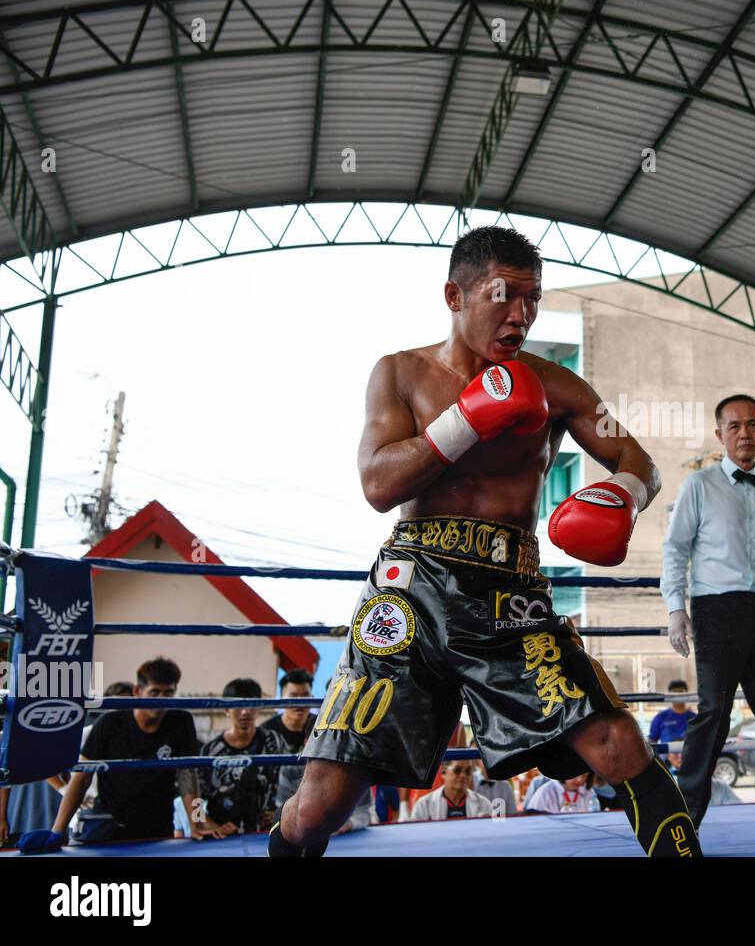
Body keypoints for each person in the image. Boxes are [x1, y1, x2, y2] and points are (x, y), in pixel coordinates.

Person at [274, 226, 700, 858]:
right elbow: (377, 483)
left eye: (532, 299)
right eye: (504, 296)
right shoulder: (400, 373)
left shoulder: (557, 385)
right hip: (409, 591)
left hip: (513, 597)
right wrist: (466, 420)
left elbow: (640, 459)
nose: (522, 315)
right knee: (320, 803)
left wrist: (624, 494)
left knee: (618, 746)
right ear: (455, 295)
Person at [662, 393, 755, 843]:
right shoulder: (699, 487)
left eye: (753, 425)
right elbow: (675, 549)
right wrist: (675, 609)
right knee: (713, 715)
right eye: (735, 426)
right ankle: (683, 825)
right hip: (715, 610)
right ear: (720, 434)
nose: (745, 433)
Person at [18, 658, 226, 852]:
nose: (161, 700)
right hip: (109, 828)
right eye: (154, 693)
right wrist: (58, 830)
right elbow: (81, 778)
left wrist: (196, 822)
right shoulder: (110, 724)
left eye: (168, 693)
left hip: (157, 828)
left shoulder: (180, 722)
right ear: (138, 691)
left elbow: (189, 777)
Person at [200, 678, 289, 833]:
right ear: (226, 709)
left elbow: (295, 783)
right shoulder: (210, 751)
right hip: (223, 839)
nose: (245, 711)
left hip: (268, 834)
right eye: (238, 705)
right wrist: (213, 827)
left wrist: (284, 812)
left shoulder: (275, 742)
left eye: (250, 704)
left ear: (259, 706)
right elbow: (191, 802)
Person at [409, 761, 494, 820]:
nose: (463, 775)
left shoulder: (484, 803)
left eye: (468, 771)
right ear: (443, 772)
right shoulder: (423, 805)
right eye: (457, 770)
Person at [648, 679, 696, 745]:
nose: (678, 695)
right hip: (666, 753)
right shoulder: (661, 717)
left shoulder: (694, 718)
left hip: (690, 754)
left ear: (686, 694)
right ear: (669, 694)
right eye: (674, 692)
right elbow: (652, 742)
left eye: (681, 692)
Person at [525, 773, 599, 814]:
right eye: (574, 775)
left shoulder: (588, 792)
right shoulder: (545, 792)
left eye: (584, 776)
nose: (579, 780)